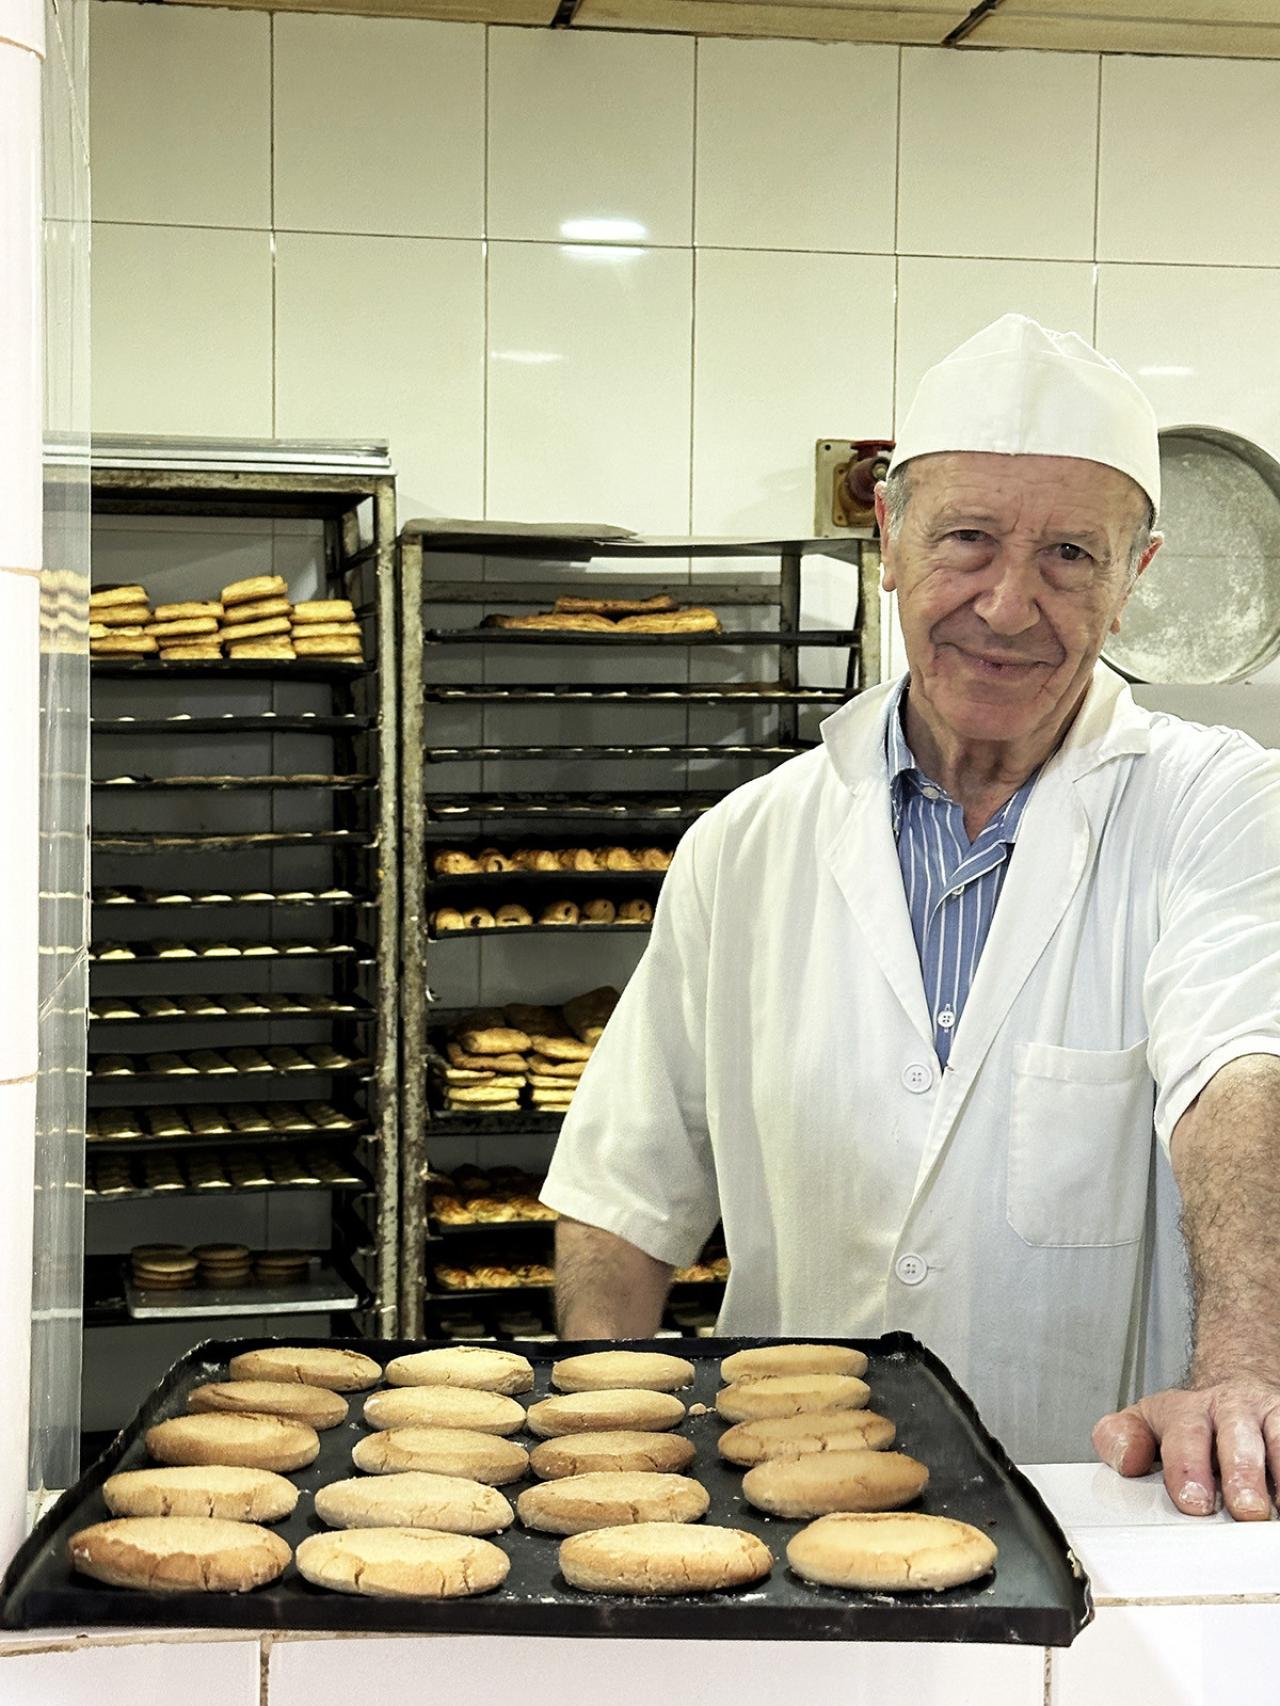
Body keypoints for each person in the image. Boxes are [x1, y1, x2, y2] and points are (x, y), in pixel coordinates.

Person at [540, 314, 1280, 1516]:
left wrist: (1244, 1363)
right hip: (779, 1518)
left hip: (1097, 1516)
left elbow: (1238, 1071)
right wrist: (599, 1443)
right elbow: (624, 1194)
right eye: (967, 540)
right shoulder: (743, 848)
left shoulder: (1218, 806)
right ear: (885, 536)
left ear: (1136, 575)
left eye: (1069, 558)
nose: (1004, 605)